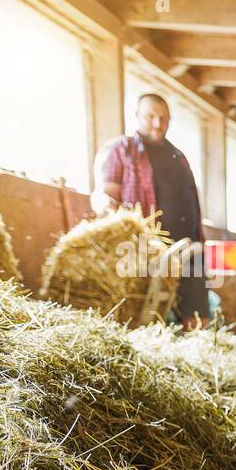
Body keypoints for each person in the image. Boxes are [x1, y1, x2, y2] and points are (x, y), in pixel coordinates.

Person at [92, 93, 208, 328]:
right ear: (136, 116)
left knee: (196, 314)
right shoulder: (122, 149)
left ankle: (195, 345)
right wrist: (104, 205)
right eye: (151, 116)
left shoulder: (179, 156)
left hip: (187, 245)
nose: (157, 123)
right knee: (149, 312)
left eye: (164, 118)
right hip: (147, 247)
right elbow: (105, 195)